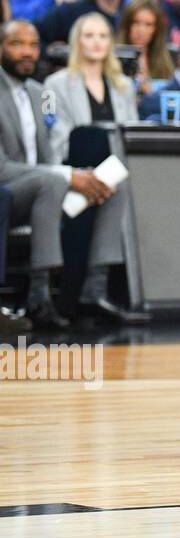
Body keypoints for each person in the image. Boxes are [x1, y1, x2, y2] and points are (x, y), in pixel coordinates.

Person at [0, 20, 126, 330]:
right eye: (17, 44)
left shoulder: (39, 93)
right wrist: (66, 174)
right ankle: (40, 296)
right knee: (53, 181)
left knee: (108, 182)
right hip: (8, 192)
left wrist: (81, 175)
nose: (27, 52)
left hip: (44, 183)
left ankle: (94, 288)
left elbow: (52, 151)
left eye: (33, 45)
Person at [42, 13, 143, 322]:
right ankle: (88, 290)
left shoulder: (124, 85)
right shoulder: (53, 84)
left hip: (114, 173)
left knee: (119, 183)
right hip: (74, 167)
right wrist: (83, 174)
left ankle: (96, 289)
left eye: (102, 35)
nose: (96, 41)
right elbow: (54, 136)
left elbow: (132, 133)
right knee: (92, 143)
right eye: (88, 35)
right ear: (77, 41)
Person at [117, 0, 173, 95]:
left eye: (148, 25)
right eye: (136, 22)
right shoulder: (113, 58)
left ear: (156, 29)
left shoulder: (166, 60)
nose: (141, 30)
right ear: (127, 25)